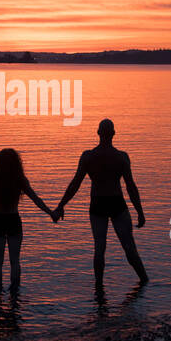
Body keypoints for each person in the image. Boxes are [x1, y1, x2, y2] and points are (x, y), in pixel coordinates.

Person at [54, 118, 149, 286]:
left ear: (98, 133)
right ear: (113, 134)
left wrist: (61, 205)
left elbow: (75, 184)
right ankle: (144, 281)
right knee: (129, 247)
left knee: (99, 248)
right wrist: (140, 212)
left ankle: (99, 288)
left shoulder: (89, 157)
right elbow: (130, 187)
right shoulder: (121, 157)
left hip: (98, 203)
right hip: (116, 203)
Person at [0, 148, 58, 291]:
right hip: (13, 221)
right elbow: (36, 199)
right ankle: (15, 295)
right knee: (15, 261)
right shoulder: (20, 180)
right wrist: (50, 213)